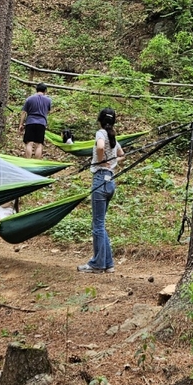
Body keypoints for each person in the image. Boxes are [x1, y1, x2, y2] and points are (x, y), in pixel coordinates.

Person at [78, 107, 124, 273]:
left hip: (100, 180)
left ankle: (97, 264)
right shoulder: (112, 137)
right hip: (110, 181)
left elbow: (100, 147)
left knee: (97, 225)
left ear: (100, 120)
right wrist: (112, 162)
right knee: (100, 224)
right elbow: (122, 154)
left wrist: (101, 161)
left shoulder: (101, 134)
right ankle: (108, 263)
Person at [19, 83, 53, 159]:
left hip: (30, 122)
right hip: (41, 123)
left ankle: (28, 161)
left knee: (29, 143)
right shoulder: (48, 100)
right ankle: (37, 162)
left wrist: (21, 124)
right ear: (45, 90)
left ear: (36, 89)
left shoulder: (29, 99)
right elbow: (48, 111)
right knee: (39, 144)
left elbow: (24, 112)